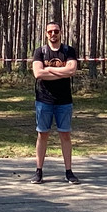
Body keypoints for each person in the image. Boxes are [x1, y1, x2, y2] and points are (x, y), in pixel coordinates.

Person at [31, 22, 80, 184]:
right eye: (50, 31)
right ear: (46, 34)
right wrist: (62, 72)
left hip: (64, 101)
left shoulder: (68, 51)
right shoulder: (40, 52)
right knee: (42, 134)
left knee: (65, 135)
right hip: (43, 100)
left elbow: (72, 71)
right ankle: (38, 171)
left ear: (61, 33)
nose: (53, 34)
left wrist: (49, 71)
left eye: (56, 31)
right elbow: (38, 73)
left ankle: (69, 171)